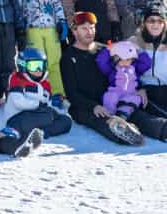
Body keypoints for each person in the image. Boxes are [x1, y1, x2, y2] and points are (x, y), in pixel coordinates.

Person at [61, 10, 163, 145]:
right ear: (74, 31)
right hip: (85, 106)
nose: (89, 32)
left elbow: (130, 70)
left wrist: (140, 88)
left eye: (92, 28)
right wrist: (94, 106)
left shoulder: (106, 50)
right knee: (103, 119)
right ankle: (123, 132)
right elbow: (71, 93)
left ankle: (163, 128)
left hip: (114, 98)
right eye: (84, 28)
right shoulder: (68, 57)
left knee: (137, 114)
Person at [16, 0, 67, 100]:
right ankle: (40, 92)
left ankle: (58, 93)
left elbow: (57, 2)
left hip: (50, 28)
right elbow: (18, 6)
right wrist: (20, 27)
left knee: (54, 61)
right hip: (32, 29)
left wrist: (62, 21)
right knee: (36, 62)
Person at [3, 47, 72, 139]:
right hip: (18, 118)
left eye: (41, 65)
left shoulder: (45, 84)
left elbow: (47, 103)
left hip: (40, 116)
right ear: (23, 65)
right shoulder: (17, 80)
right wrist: (39, 104)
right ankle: (15, 131)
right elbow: (18, 102)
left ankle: (40, 134)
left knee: (66, 120)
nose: (39, 70)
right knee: (46, 114)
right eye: (34, 66)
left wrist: (54, 103)